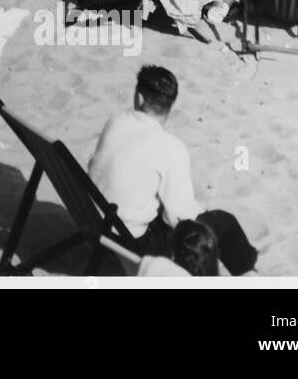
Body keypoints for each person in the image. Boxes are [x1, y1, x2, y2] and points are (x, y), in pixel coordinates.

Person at [89, 66, 257, 276]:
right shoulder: (170, 146)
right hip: (131, 242)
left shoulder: (116, 121)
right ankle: (250, 275)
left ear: (139, 97)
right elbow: (178, 217)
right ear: (170, 105)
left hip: (93, 220)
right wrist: (201, 212)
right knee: (223, 222)